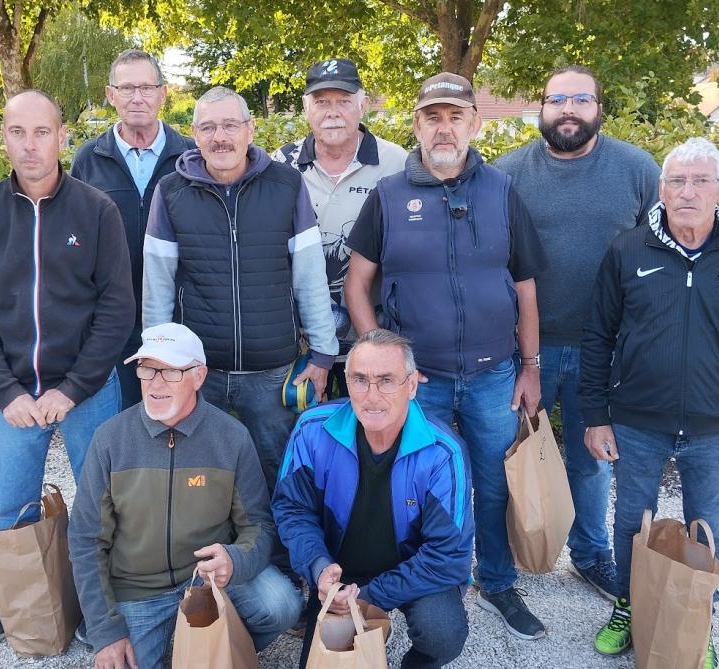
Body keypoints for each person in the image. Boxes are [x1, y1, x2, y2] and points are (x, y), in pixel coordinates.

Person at [344, 72, 549, 640]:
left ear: (474, 124)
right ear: (416, 125)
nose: (444, 127)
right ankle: (433, 586)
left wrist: (531, 367)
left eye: (455, 117)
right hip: (420, 383)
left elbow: (526, 286)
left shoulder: (502, 190)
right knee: (423, 486)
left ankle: (500, 583)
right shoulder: (389, 195)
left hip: (493, 377)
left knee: (493, 482)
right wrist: (381, 360)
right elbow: (356, 284)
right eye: (432, 117)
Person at [580, 137, 719, 669]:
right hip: (637, 420)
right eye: (676, 181)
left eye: (699, 181)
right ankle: (628, 605)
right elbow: (598, 337)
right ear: (660, 187)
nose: (686, 192)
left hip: (716, 425)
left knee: (706, 523)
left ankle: (697, 617)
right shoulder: (628, 250)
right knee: (631, 521)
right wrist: (596, 415)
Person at [0, 89, 135, 643]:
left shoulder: (96, 209)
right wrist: (6, 391)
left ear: (62, 137)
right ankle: (21, 599)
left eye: (41, 133)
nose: (30, 146)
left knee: (101, 501)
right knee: (13, 503)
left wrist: (76, 387)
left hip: (87, 389)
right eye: (17, 133)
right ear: (3, 138)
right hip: (11, 392)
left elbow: (116, 307)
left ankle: (99, 605)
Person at [494, 65, 660, 601]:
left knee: (591, 461)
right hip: (523, 346)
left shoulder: (636, 169)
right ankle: (504, 558)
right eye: (557, 99)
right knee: (509, 455)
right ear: (541, 107)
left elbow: (657, 256)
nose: (569, 109)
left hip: (603, 348)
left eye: (581, 99)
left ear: (598, 108)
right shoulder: (508, 173)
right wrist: (528, 358)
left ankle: (591, 556)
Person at [69, 323, 303, 669]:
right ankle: (190, 648)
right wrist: (105, 631)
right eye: (146, 369)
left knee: (281, 604)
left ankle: (212, 649)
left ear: (199, 375)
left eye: (171, 372)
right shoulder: (110, 439)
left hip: (207, 581)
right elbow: (86, 539)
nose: (155, 383)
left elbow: (259, 525)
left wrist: (234, 560)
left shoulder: (232, 437)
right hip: (137, 588)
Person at [142, 85, 338, 496]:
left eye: (231, 125)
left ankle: (282, 558)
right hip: (199, 371)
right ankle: (213, 557)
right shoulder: (171, 191)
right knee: (201, 478)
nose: (221, 137)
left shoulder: (286, 185)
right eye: (209, 127)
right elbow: (157, 284)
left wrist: (322, 354)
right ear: (194, 135)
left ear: (250, 130)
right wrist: (158, 362)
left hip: (272, 373)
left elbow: (308, 275)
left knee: (279, 474)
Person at [273, 329, 472, 668]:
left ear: (411, 385)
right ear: (347, 382)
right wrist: (319, 568)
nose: (372, 394)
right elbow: (292, 509)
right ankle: (328, 606)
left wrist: (368, 596)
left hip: (412, 571)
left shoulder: (443, 452)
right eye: (360, 380)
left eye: (387, 380)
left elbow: (447, 558)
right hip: (336, 569)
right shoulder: (312, 429)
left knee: (443, 633)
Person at [272, 58, 407, 395]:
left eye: (343, 101)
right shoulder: (281, 165)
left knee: (368, 433)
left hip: (372, 334)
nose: (332, 111)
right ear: (306, 108)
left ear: (362, 106)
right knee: (303, 435)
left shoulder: (397, 164)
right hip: (298, 341)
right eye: (321, 102)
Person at [70, 50, 195, 410]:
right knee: (120, 419)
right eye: (127, 88)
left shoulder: (188, 157)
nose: (137, 97)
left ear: (163, 93)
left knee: (175, 414)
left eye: (146, 87)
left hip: (178, 317)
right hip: (110, 320)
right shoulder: (90, 157)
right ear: (111, 95)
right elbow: (74, 237)